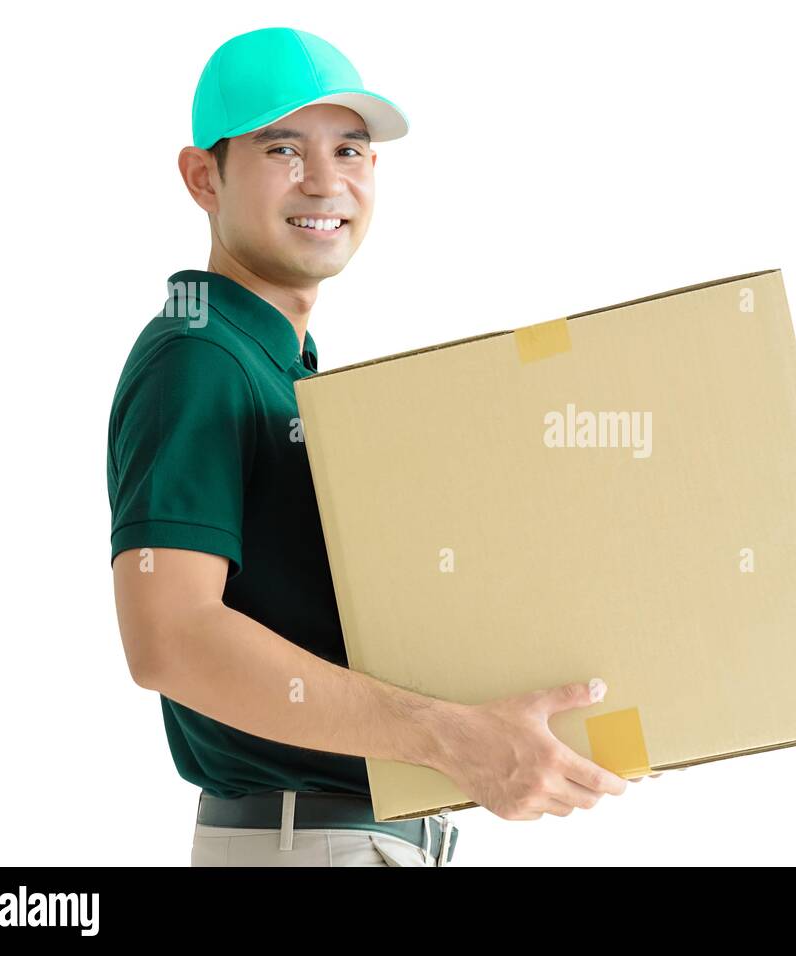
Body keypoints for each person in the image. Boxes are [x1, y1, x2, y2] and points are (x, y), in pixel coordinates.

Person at [107, 26, 654, 868]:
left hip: (364, 838)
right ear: (202, 177)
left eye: (351, 150)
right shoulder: (199, 357)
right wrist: (448, 737)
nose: (325, 180)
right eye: (282, 147)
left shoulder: (280, 367)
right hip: (308, 843)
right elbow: (170, 636)